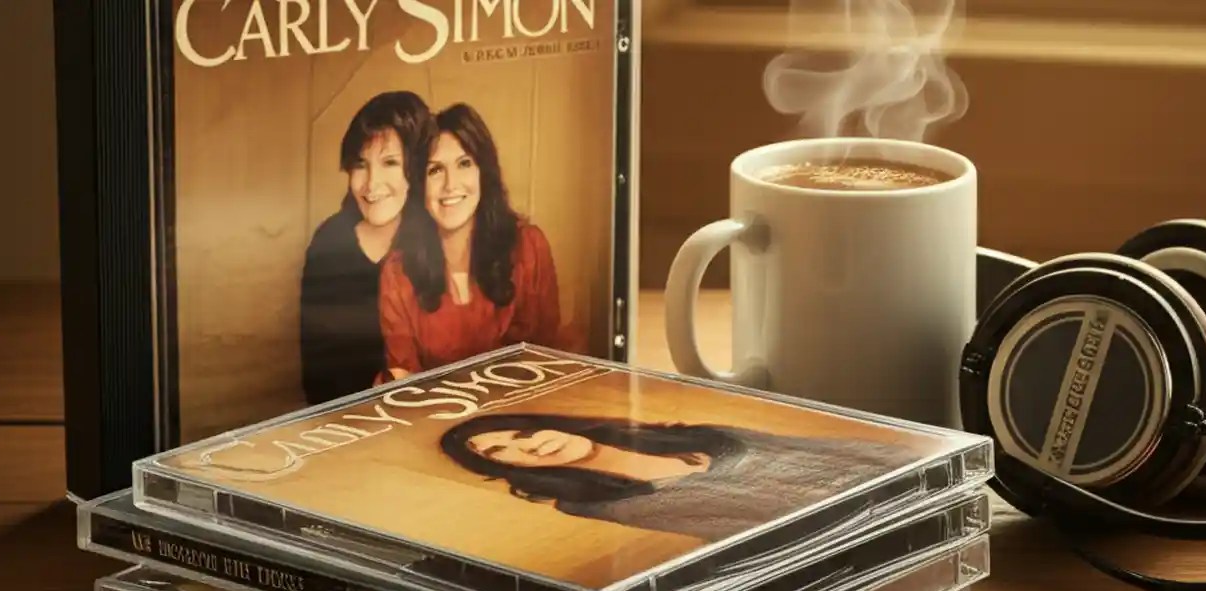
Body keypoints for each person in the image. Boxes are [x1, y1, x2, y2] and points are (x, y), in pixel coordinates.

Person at [438, 413, 930, 542]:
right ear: (513, 471)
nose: (531, 444)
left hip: (915, 496)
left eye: (522, 431)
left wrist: (920, 469)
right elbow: (752, 529)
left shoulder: (689, 434)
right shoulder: (597, 504)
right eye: (506, 454)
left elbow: (833, 450)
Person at [378, 103, 571, 381]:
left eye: (464, 163)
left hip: (521, 411)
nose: (450, 185)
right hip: (433, 416)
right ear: (419, 185)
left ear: (484, 172)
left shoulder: (529, 247)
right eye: (435, 170)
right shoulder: (397, 272)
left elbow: (549, 360)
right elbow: (403, 383)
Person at [299, 91, 435, 404]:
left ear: (417, 169)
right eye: (361, 164)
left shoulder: (441, 236)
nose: (371, 184)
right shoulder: (330, 243)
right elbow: (317, 375)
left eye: (390, 162)